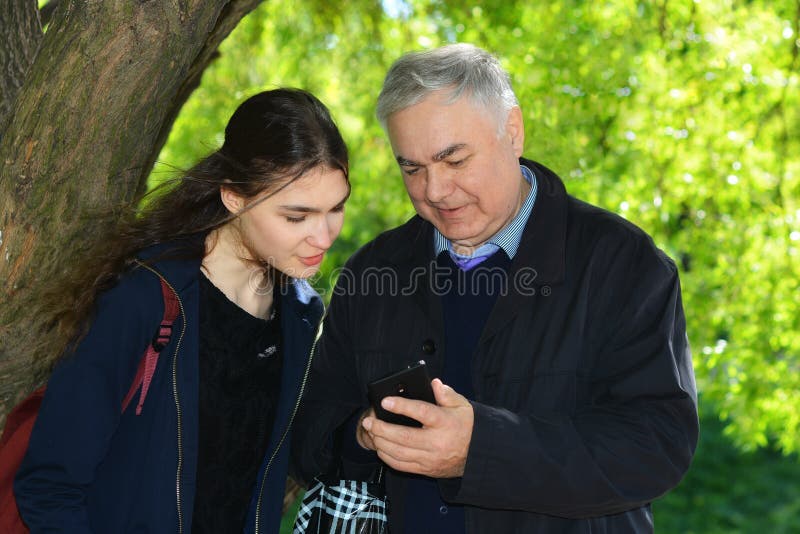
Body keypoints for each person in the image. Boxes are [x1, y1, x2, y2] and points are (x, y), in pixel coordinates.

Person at [292, 43, 698, 532]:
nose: (435, 190)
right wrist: (363, 434)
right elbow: (309, 433)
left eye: (455, 160)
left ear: (513, 132)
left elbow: (656, 447)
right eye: (412, 168)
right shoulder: (370, 271)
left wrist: (480, 450)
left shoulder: (625, 263)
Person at [14, 88, 350, 533]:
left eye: (336, 209)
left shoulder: (302, 314)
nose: (323, 237)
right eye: (296, 217)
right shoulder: (144, 296)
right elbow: (50, 485)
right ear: (233, 197)